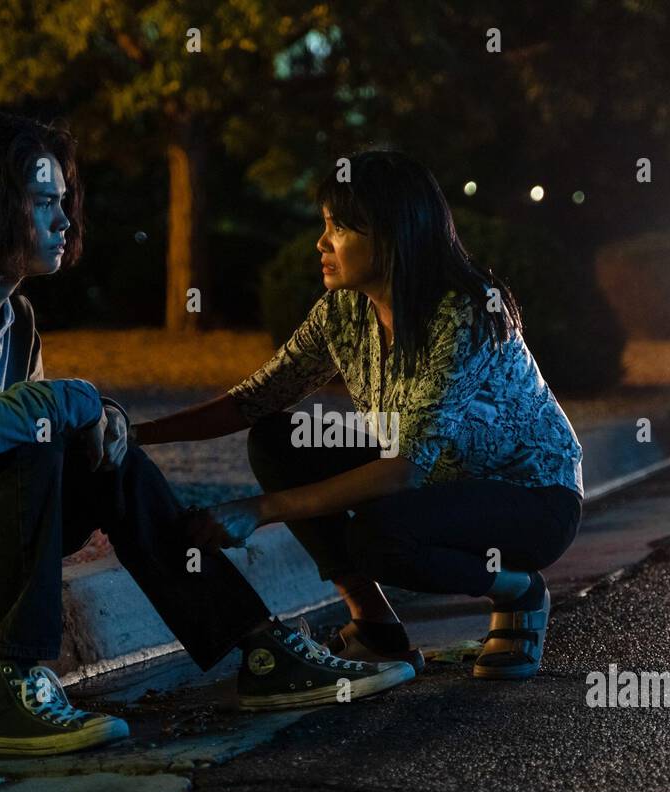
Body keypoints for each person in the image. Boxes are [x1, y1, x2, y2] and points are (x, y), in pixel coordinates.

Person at [0, 116, 415, 758]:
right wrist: (64, 402)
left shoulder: (11, 313)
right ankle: (10, 690)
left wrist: (99, 417)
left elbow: (33, 437)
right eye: (45, 204)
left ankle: (261, 650)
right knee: (38, 429)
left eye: (66, 203)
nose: (67, 222)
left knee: (95, 447)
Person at [133, 149, 584, 681]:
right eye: (324, 226)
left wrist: (259, 509)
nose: (321, 243)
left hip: (529, 498)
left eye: (340, 228)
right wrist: (133, 434)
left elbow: (405, 469)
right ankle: (375, 627)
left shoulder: (464, 310)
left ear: (393, 236)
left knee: (378, 539)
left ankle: (520, 590)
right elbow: (253, 399)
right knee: (279, 439)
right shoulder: (344, 310)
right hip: (430, 474)